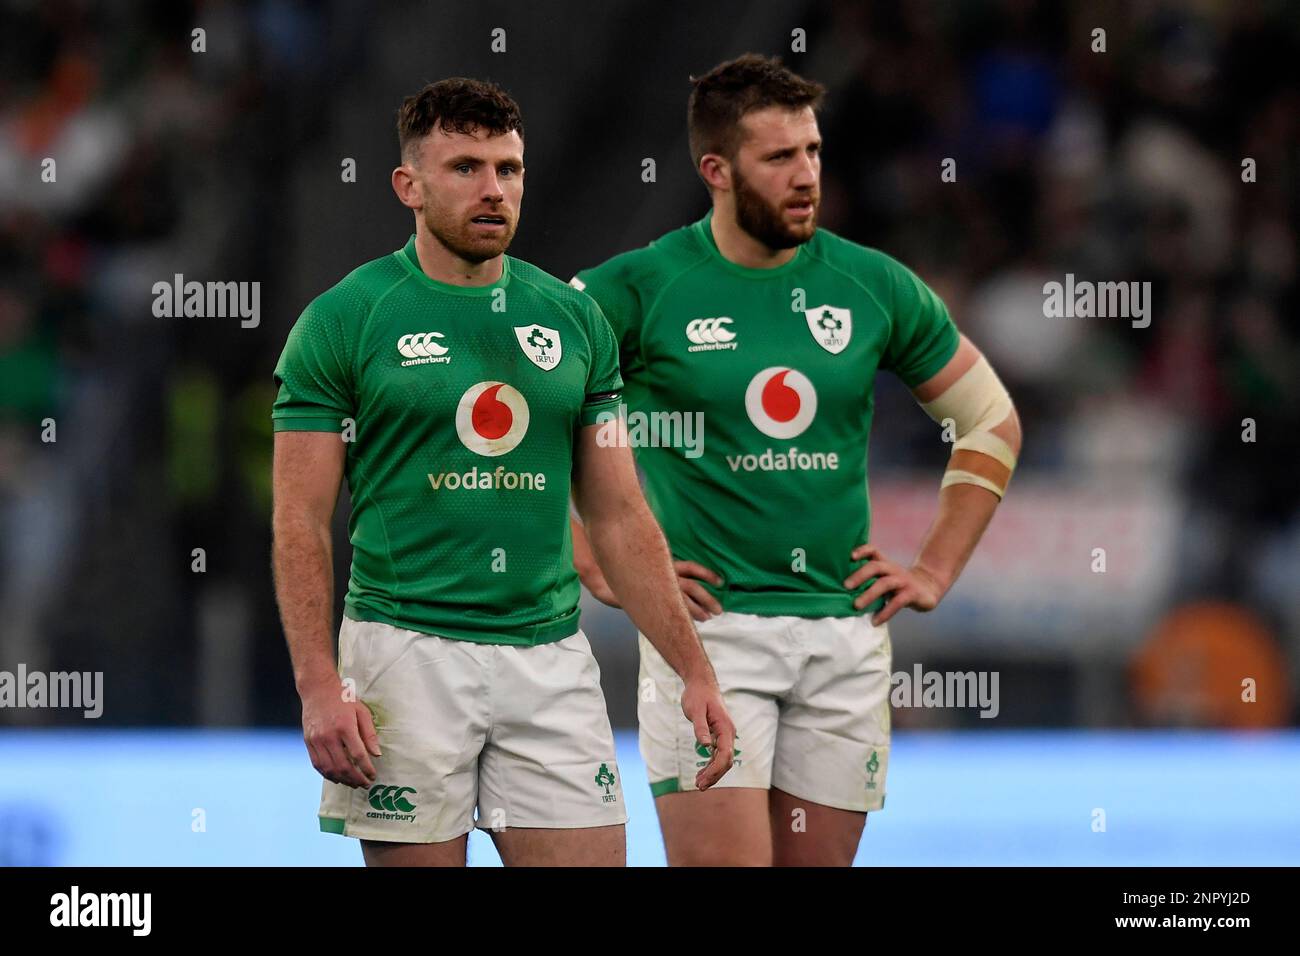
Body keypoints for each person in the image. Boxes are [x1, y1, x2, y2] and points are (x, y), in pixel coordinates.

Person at [569, 54, 1022, 866]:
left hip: (844, 639)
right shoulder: (636, 289)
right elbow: (512, 418)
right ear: (716, 169)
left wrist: (935, 570)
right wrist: (590, 553)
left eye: (812, 151)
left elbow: (989, 421)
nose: (806, 174)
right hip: (707, 636)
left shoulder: (873, 284)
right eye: (779, 157)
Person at [270, 77, 734, 867]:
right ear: (407, 186)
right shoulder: (344, 320)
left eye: (509, 169)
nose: (494, 190)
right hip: (403, 658)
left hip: (549, 660)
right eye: (466, 168)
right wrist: (319, 684)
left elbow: (619, 514)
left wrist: (693, 668)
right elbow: (300, 521)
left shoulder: (575, 320)